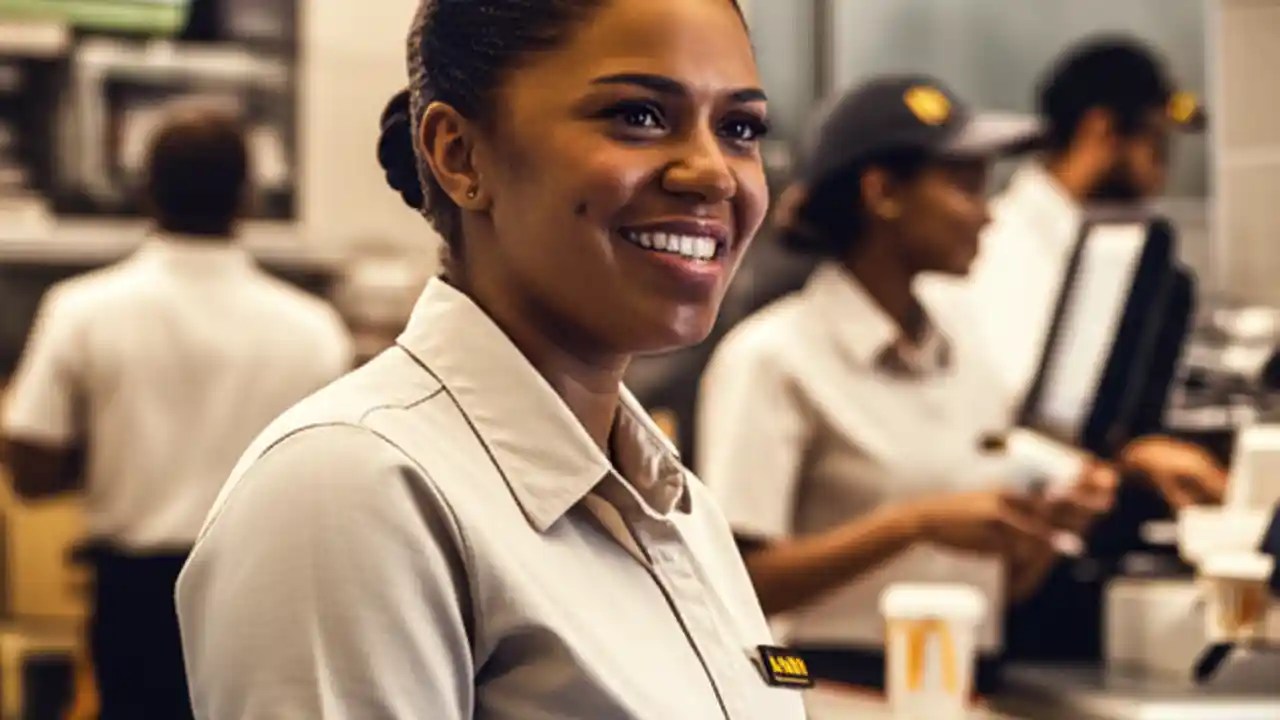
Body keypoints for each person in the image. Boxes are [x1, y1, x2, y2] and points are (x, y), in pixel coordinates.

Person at [176, 1, 807, 718]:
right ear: (459, 155)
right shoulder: (354, 491)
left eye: (740, 128)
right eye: (637, 116)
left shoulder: (677, 508)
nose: (713, 174)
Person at [696, 76, 1117, 692]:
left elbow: (1000, 580)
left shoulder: (965, 352)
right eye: (964, 185)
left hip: (964, 688)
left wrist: (1046, 530)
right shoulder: (773, 358)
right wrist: (913, 524)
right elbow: (734, 585)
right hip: (822, 691)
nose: (988, 211)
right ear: (883, 192)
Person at [0, 104, 353, 719]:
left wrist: (115, 457)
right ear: (247, 199)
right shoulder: (314, 329)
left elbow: (29, 467)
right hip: (269, 591)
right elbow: (336, 477)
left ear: (144, 192)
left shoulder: (83, 309)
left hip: (134, 594)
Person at [918, 36, 1226, 661]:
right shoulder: (1000, 254)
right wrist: (1133, 458)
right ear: (1103, 130)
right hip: (985, 579)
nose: (1162, 173)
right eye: (1156, 147)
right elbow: (998, 425)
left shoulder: (1099, 243)